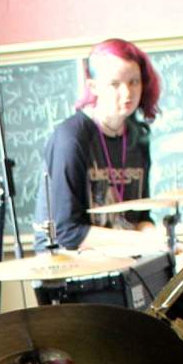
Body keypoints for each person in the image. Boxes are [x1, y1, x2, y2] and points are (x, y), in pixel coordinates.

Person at [35, 39, 162, 252]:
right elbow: (67, 231)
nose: (127, 93)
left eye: (134, 82)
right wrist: (136, 240)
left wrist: (159, 238)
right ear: (93, 87)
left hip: (120, 261)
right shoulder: (71, 138)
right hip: (71, 270)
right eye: (115, 84)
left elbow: (140, 218)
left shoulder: (137, 138)